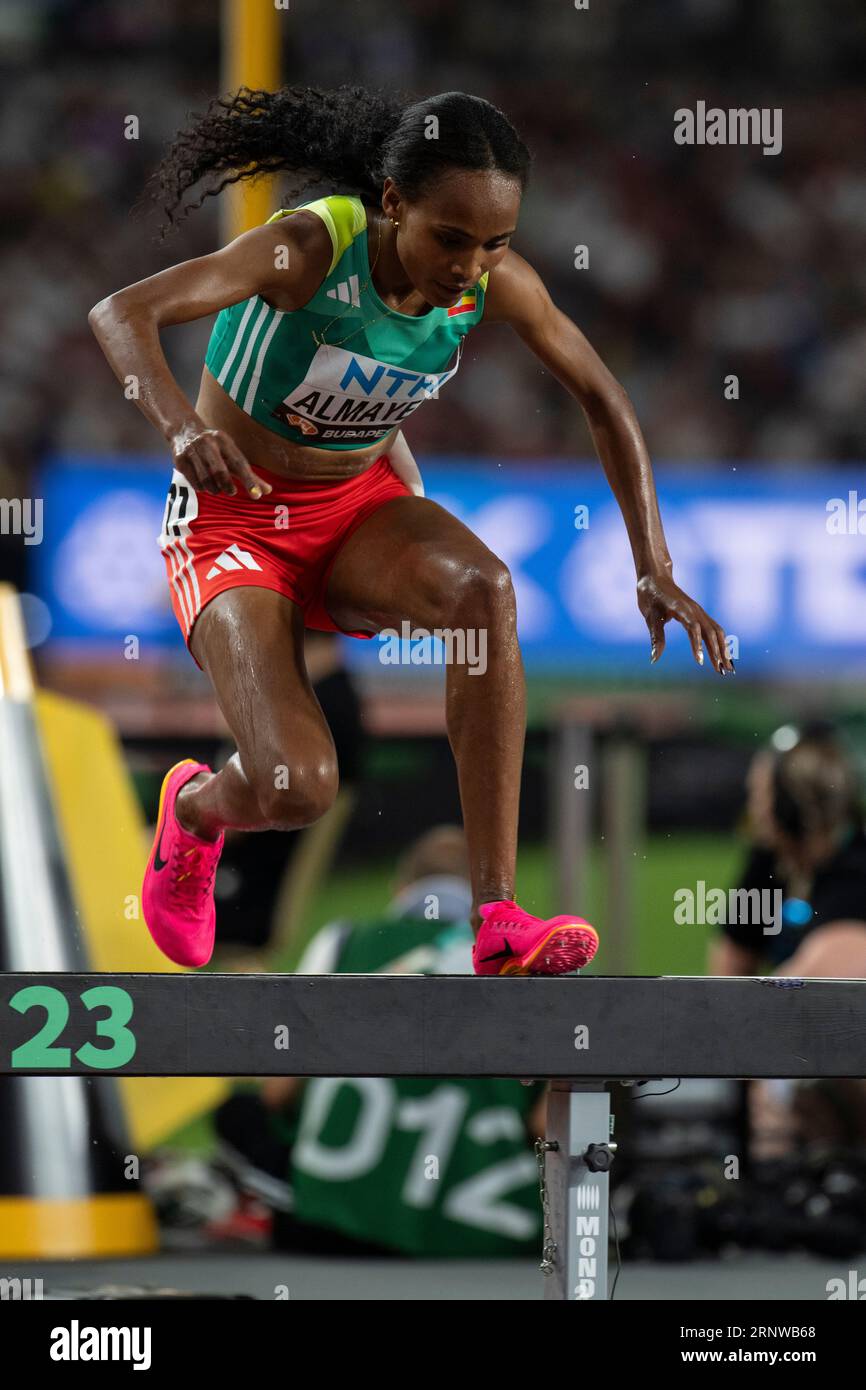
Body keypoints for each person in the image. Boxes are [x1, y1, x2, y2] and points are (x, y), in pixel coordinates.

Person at [88, 86, 732, 979]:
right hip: (234, 522)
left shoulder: (491, 285)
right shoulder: (307, 249)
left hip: (353, 512)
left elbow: (603, 398)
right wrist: (182, 429)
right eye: (452, 239)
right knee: (297, 788)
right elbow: (121, 312)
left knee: (487, 591)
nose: (472, 268)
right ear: (393, 204)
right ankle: (196, 812)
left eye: (496, 243)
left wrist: (652, 565)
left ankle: (498, 915)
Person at [213, 825, 550, 1257]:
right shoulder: (521, 962)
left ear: (400, 888)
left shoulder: (344, 941)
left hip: (329, 1222)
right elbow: (545, 1122)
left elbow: (279, 1090)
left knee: (239, 1112)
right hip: (488, 1230)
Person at [708, 725, 866, 1157]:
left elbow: (825, 973)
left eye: (761, 795)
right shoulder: (768, 864)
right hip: (792, 1055)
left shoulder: (856, 867)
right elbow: (725, 976)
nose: (755, 808)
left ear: (789, 804)